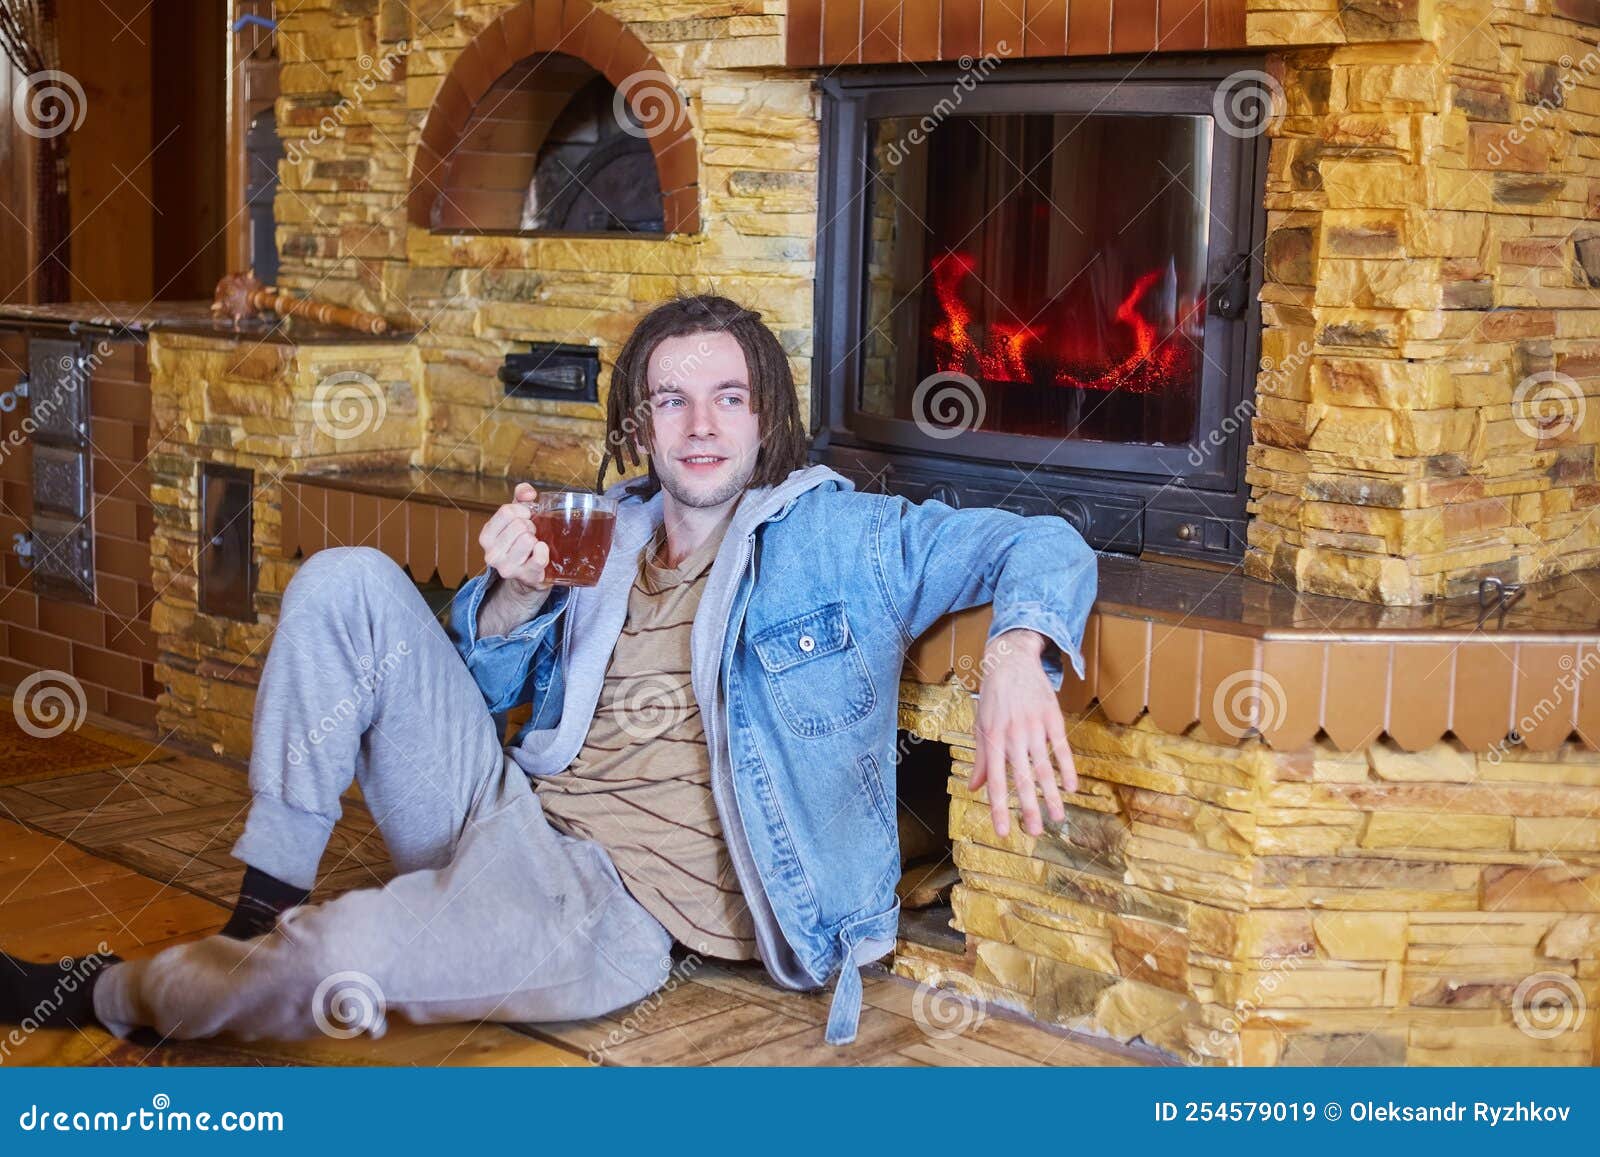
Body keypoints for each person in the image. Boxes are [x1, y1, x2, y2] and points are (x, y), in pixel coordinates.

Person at [0, 294, 1097, 1048]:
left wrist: (1015, 653)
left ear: (768, 417)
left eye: (727, 396)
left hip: (608, 900)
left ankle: (109, 991)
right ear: (639, 421)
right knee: (343, 576)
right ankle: (258, 900)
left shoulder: (844, 538)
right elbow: (471, 699)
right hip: (502, 801)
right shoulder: (603, 527)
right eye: (671, 399)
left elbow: (1040, 539)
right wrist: (514, 598)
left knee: (345, 955)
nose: (700, 424)